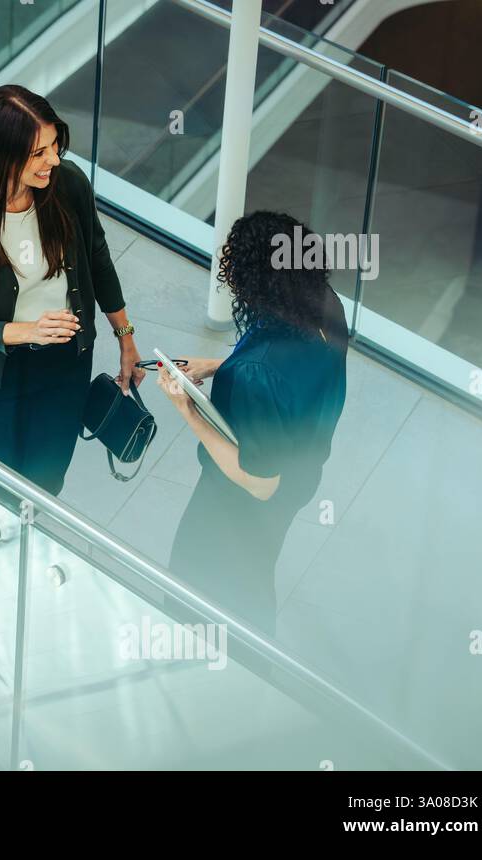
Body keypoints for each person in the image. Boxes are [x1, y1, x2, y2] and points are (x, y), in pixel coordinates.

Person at [0, 84, 143, 496]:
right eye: (39, 153)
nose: (54, 160)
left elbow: (98, 260)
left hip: (65, 367)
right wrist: (28, 330)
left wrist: (125, 337)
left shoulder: (69, 186)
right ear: (1, 155)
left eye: (54, 146)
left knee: (45, 486)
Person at [158, 211, 349, 635]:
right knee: (257, 568)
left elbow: (259, 481)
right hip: (303, 476)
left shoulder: (259, 374)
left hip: (238, 502)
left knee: (209, 586)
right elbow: (290, 378)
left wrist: (186, 409)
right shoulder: (326, 307)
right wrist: (218, 365)